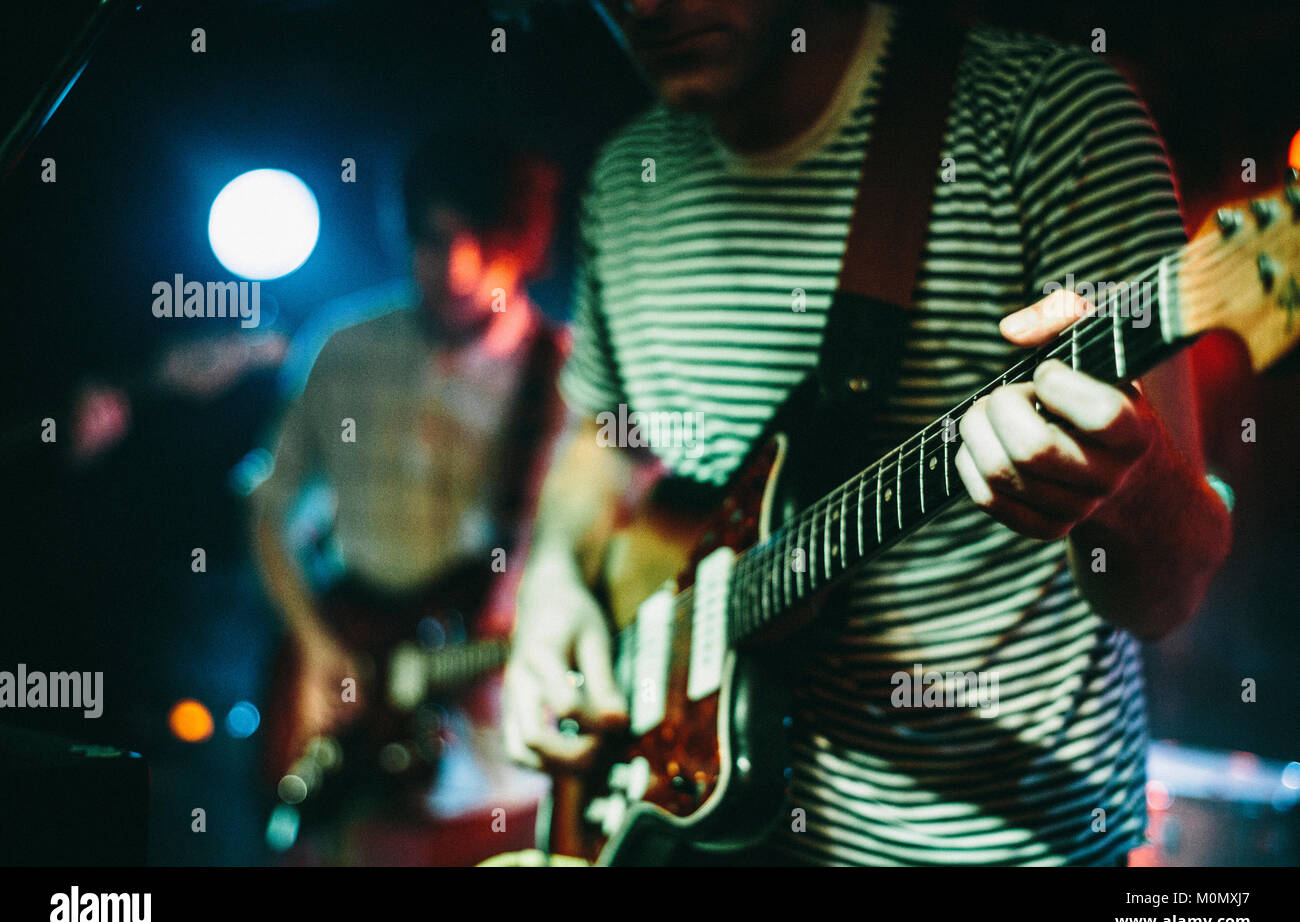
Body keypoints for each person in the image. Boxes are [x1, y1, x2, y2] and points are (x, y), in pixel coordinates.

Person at [503, 0, 1232, 865]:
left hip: (992, 844)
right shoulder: (628, 175)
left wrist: (1128, 483)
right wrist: (549, 579)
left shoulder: (1049, 115)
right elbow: (607, 432)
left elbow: (1169, 590)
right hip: (694, 832)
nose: (646, 7)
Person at [251, 127, 566, 790]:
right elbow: (267, 505)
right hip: (344, 671)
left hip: (486, 719)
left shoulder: (566, 375)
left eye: (479, 241)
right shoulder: (341, 345)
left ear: (522, 245)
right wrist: (314, 647)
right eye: (433, 238)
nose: (455, 267)